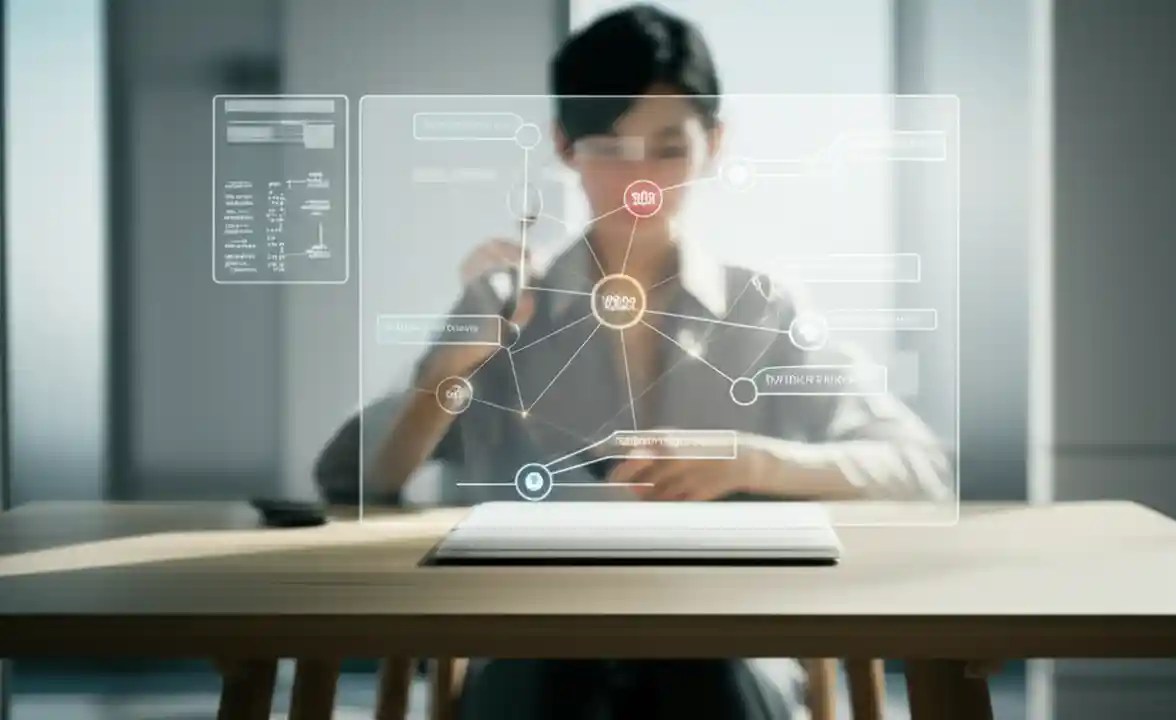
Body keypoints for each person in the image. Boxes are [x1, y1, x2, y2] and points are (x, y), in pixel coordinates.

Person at [317, 5, 951, 718]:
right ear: (564, 146)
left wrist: (747, 462)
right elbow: (350, 480)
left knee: (710, 673)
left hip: (722, 638)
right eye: (610, 149)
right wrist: (446, 374)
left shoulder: (763, 308)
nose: (640, 181)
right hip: (534, 639)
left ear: (714, 143)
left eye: (667, 150)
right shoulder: (505, 307)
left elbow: (919, 468)